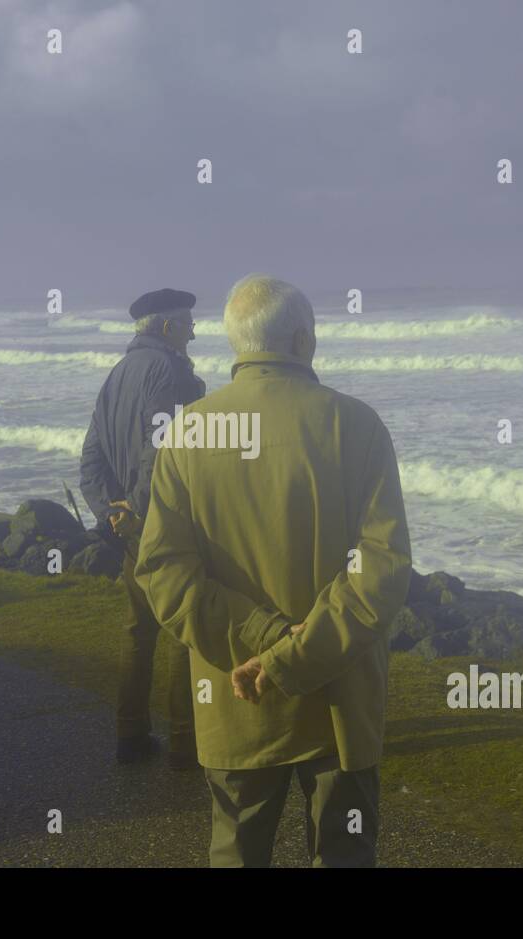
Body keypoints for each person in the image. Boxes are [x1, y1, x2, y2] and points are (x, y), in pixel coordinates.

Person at [134, 274, 412, 867]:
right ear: (304, 341)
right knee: (343, 855)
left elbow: (162, 573)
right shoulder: (356, 426)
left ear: (237, 344)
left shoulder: (187, 434)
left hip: (236, 699)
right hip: (340, 703)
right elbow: (381, 569)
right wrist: (292, 654)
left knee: (236, 855)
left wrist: (263, 644)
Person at [80, 288, 206, 768]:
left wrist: (107, 511)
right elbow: (160, 448)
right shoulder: (169, 371)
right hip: (163, 522)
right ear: (168, 327)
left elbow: (91, 454)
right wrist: (135, 509)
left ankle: (130, 734)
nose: (195, 331)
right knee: (181, 631)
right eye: (189, 323)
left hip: (130, 526)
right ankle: (184, 743)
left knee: (137, 631)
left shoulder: (117, 374)